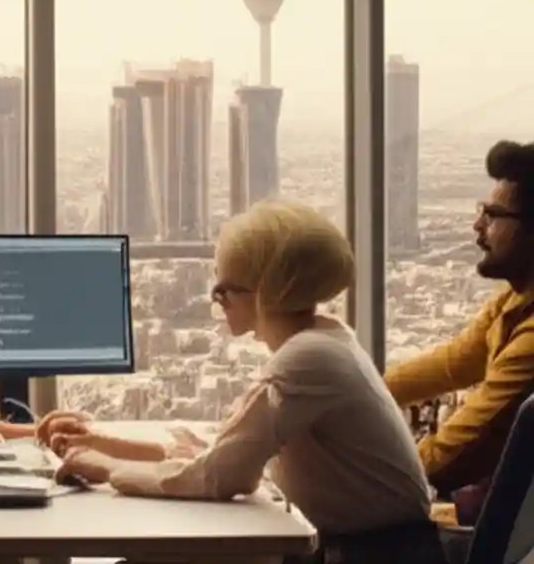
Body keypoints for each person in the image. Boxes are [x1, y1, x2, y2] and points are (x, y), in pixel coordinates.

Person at [51, 200, 445, 563]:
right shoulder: (327, 338)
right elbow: (229, 449)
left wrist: (107, 470)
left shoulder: (307, 358)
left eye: (223, 289)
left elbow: (221, 475)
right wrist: (102, 445)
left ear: (267, 293)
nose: (216, 299)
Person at [384, 139, 534, 496]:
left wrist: (379, 481)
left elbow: (463, 448)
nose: (477, 225)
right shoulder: (512, 303)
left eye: (493, 215)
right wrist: (359, 395)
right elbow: (453, 363)